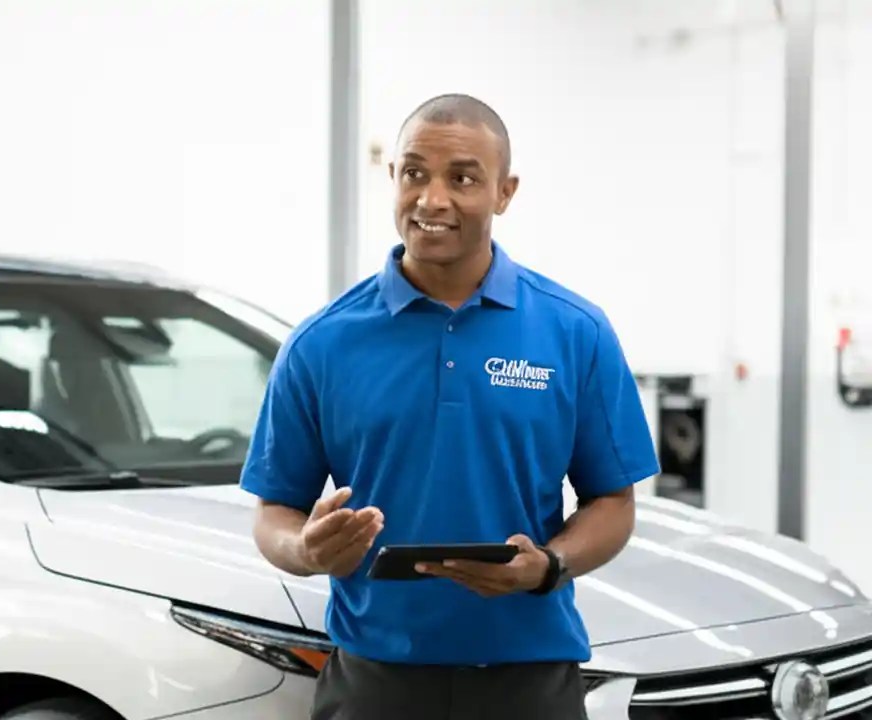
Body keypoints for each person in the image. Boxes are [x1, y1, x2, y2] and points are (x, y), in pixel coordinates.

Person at [240, 93, 660, 719]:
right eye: (414, 173)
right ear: (393, 179)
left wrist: (549, 565)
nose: (432, 200)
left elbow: (613, 502)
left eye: (462, 178)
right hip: (374, 685)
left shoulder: (575, 332)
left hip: (529, 682)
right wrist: (307, 549)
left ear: (504, 192)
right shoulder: (321, 343)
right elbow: (275, 511)